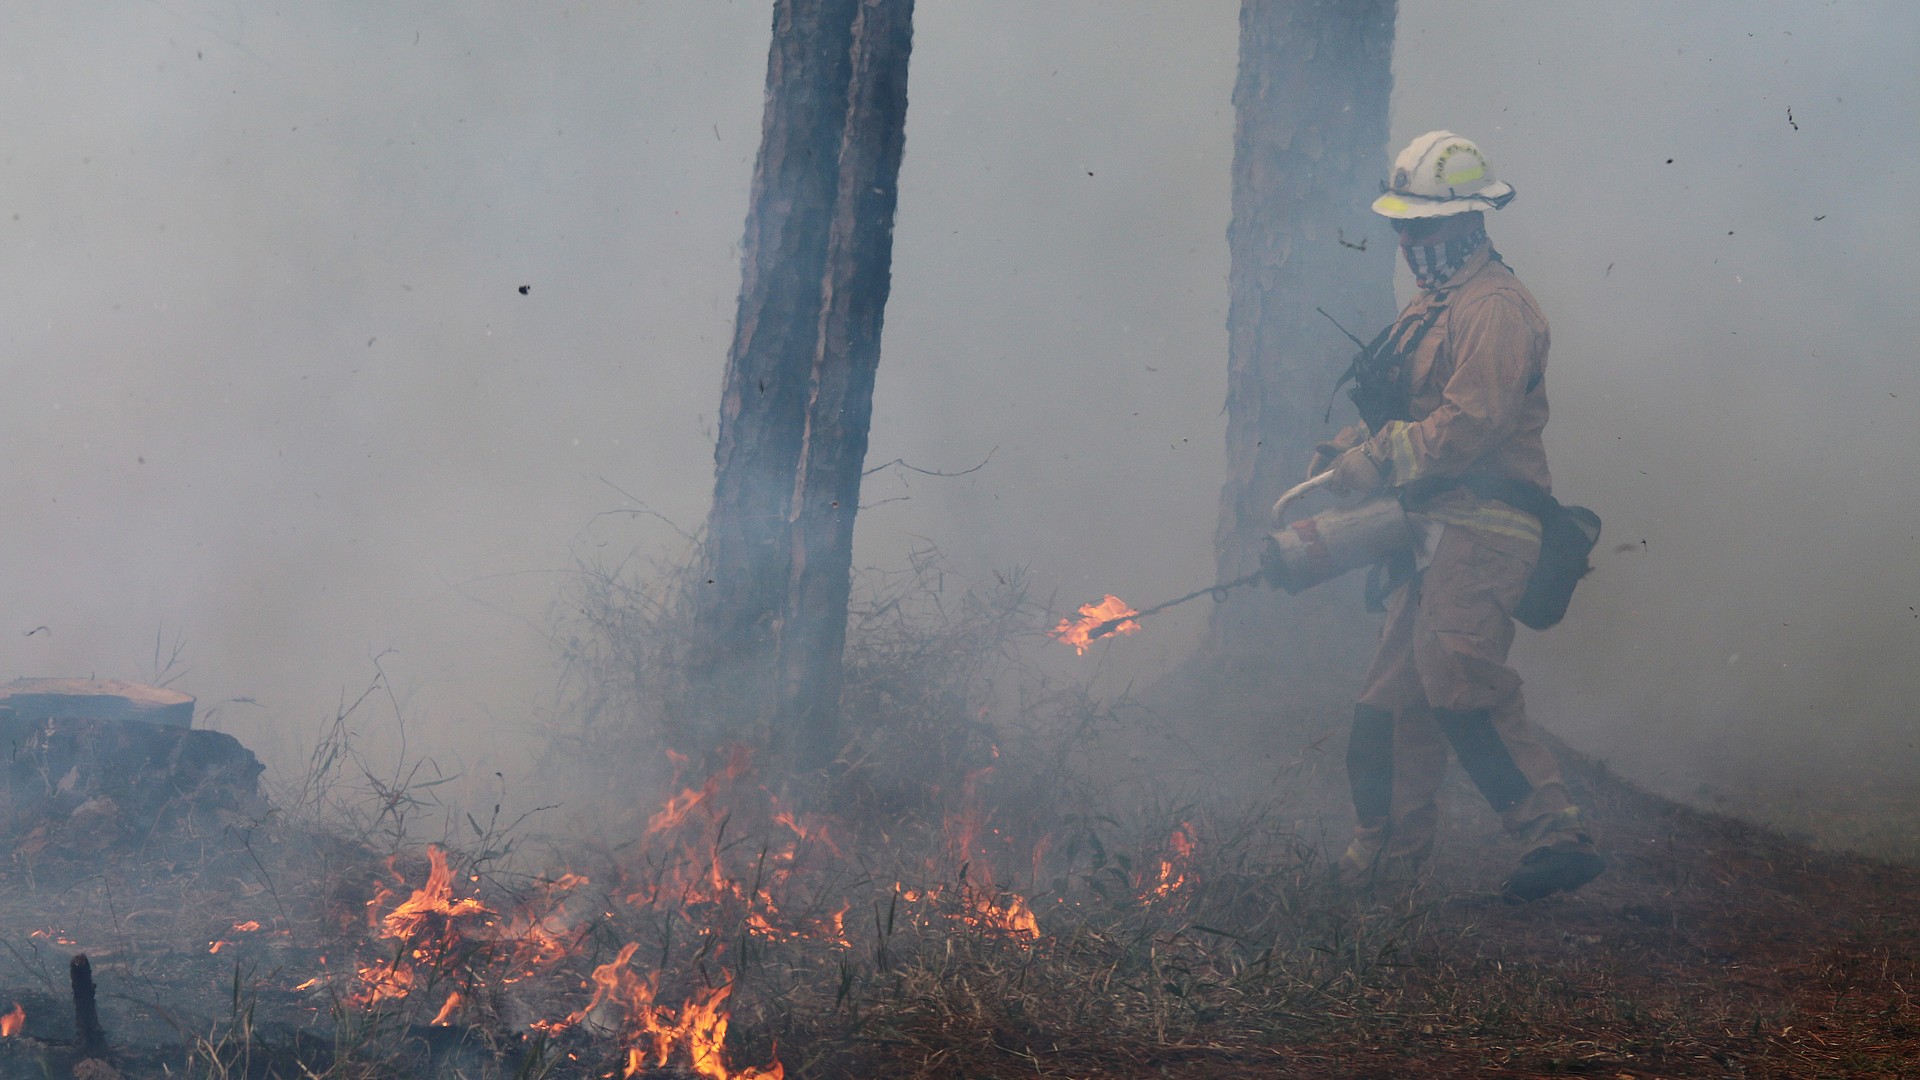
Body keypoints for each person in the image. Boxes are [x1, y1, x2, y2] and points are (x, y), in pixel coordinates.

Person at [1309, 131, 1604, 902]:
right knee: (1386, 702)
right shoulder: (1430, 308)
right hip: (1428, 529)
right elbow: (1418, 416)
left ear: (1469, 222)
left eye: (1424, 226)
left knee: (1459, 679)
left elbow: (1470, 422)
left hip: (1486, 526)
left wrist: (1387, 457)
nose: (1409, 240)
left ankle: (1555, 835)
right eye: (1401, 226)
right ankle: (1380, 859)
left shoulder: (1497, 309)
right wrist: (1356, 448)